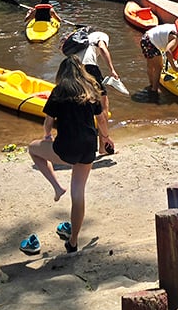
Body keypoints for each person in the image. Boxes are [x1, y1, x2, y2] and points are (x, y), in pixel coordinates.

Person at [26, 56, 102, 255]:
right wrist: (107, 139)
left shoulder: (59, 91)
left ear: (62, 73)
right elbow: (101, 118)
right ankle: (74, 242)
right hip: (88, 146)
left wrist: (46, 136)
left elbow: (49, 121)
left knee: (33, 149)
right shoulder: (90, 89)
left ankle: (57, 187)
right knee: (78, 194)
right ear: (81, 71)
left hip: (66, 147)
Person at [72, 29, 118, 155]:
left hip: (74, 70)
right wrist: (112, 69)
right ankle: (103, 146)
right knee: (103, 106)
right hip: (90, 68)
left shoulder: (82, 40)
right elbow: (103, 49)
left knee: (83, 105)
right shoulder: (102, 36)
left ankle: (81, 144)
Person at [139, 20, 178, 99]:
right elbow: (168, 51)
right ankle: (154, 90)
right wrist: (174, 67)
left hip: (145, 38)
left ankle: (151, 85)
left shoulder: (173, 27)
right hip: (151, 43)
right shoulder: (175, 38)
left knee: (150, 65)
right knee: (159, 67)